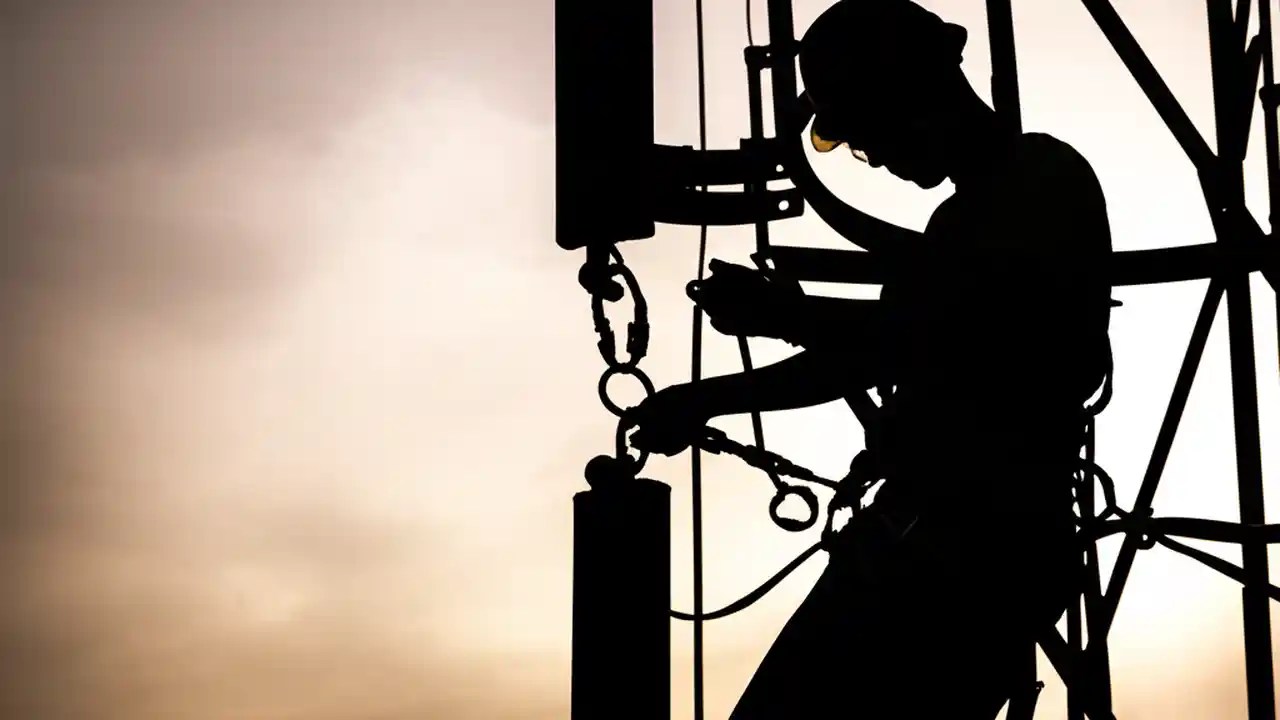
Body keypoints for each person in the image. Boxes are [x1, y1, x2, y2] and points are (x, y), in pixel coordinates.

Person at [626, 1, 1115, 717]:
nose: (874, 156)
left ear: (914, 93)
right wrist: (723, 385)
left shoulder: (1040, 182)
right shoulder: (971, 216)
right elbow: (894, 341)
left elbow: (935, 338)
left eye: (870, 133)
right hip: (931, 543)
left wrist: (782, 325)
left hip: (968, 557)